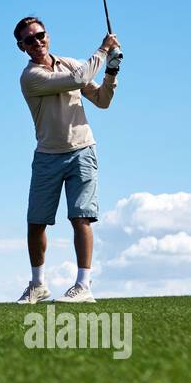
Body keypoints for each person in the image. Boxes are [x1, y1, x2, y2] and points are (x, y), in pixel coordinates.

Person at [13, 16, 121, 304]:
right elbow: (78, 79)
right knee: (36, 222)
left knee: (81, 217)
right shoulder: (30, 77)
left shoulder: (73, 63)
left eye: (40, 35)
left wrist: (111, 71)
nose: (37, 42)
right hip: (47, 155)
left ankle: (83, 286)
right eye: (29, 40)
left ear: (48, 35)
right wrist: (102, 50)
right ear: (21, 47)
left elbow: (102, 100)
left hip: (82, 149)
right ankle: (38, 285)